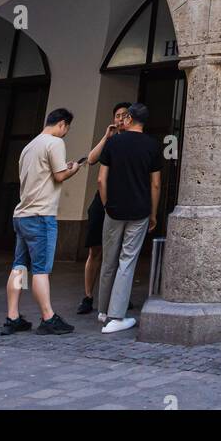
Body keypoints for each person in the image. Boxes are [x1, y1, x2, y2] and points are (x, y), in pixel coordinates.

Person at [2, 108, 84, 336]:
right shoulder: (55, 143)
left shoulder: (29, 146)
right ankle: (48, 317)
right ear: (62, 124)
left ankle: (13, 316)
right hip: (41, 215)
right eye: (67, 128)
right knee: (40, 270)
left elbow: (43, 175)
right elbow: (59, 176)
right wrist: (74, 169)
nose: (65, 132)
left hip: (22, 214)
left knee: (19, 267)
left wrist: (60, 169)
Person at [96, 101, 163, 334]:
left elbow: (101, 179)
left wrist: (106, 205)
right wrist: (153, 213)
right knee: (127, 260)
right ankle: (116, 315)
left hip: (113, 209)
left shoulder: (114, 142)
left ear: (129, 119)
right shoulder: (152, 145)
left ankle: (102, 310)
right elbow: (155, 184)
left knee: (108, 260)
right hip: (139, 209)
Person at [77, 102, 130, 316]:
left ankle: (117, 297)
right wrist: (106, 136)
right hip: (102, 202)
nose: (120, 119)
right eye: (117, 115)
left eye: (124, 115)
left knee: (119, 254)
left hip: (122, 200)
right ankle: (88, 296)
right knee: (95, 250)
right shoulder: (110, 141)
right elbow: (90, 159)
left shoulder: (132, 141)